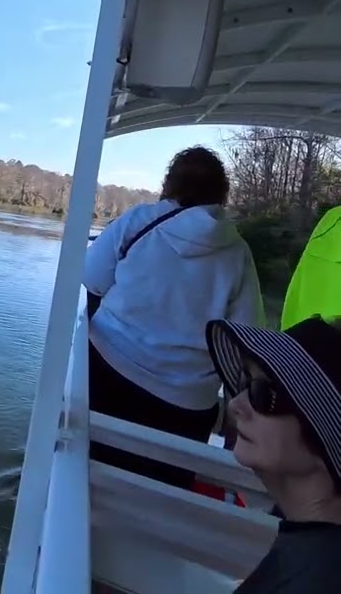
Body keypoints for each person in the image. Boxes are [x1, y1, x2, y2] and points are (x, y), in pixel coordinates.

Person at [84, 146, 264, 487]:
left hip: (108, 372)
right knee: (160, 490)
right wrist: (235, 416)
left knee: (88, 477)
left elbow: (92, 277)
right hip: (186, 404)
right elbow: (246, 336)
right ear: (221, 192)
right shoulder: (237, 251)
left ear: (170, 183)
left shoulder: (140, 221)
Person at [205, 316, 341, 593]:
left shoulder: (316, 579)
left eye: (263, 394)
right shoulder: (312, 549)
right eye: (245, 382)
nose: (236, 404)